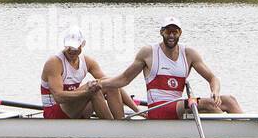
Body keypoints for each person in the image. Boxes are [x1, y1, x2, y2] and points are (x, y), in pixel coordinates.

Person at [99, 17, 242, 119]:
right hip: (158, 108)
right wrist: (99, 84)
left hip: (177, 106)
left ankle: (246, 126)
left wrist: (215, 92)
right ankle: (230, 132)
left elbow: (212, 78)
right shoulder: (148, 53)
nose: (171, 35)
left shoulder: (189, 54)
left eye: (175, 32)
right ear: (162, 32)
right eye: (168, 32)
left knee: (229, 100)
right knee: (209, 104)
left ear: (180, 33)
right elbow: (124, 79)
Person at [40, 27, 136, 119]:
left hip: (74, 108)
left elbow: (114, 83)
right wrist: (87, 93)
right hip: (54, 113)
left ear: (82, 44)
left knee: (109, 84)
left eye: (74, 47)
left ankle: (120, 124)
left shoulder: (88, 61)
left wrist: (137, 110)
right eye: (68, 46)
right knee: (93, 88)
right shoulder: (54, 63)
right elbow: (58, 97)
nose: (71, 50)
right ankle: (112, 130)